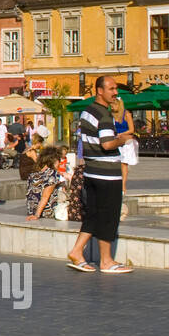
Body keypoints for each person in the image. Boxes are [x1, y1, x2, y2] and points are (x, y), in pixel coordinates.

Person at [66, 76, 135, 274]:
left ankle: (77, 251)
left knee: (93, 215)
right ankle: (106, 261)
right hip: (107, 175)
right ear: (100, 91)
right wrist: (122, 140)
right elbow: (106, 144)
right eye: (111, 89)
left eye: (115, 89)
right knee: (108, 217)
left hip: (91, 172)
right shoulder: (104, 115)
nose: (115, 93)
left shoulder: (87, 111)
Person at [25, 146, 70, 220]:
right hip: (46, 212)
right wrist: (37, 215)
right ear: (55, 160)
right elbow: (45, 197)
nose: (60, 163)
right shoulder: (52, 174)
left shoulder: (34, 173)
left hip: (31, 210)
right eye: (59, 160)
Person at [112, 96, 138, 191]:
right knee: (115, 162)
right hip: (116, 141)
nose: (112, 106)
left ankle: (123, 185)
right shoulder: (112, 116)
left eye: (114, 104)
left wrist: (121, 134)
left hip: (126, 141)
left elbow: (131, 129)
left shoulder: (126, 114)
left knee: (124, 163)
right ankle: (116, 182)